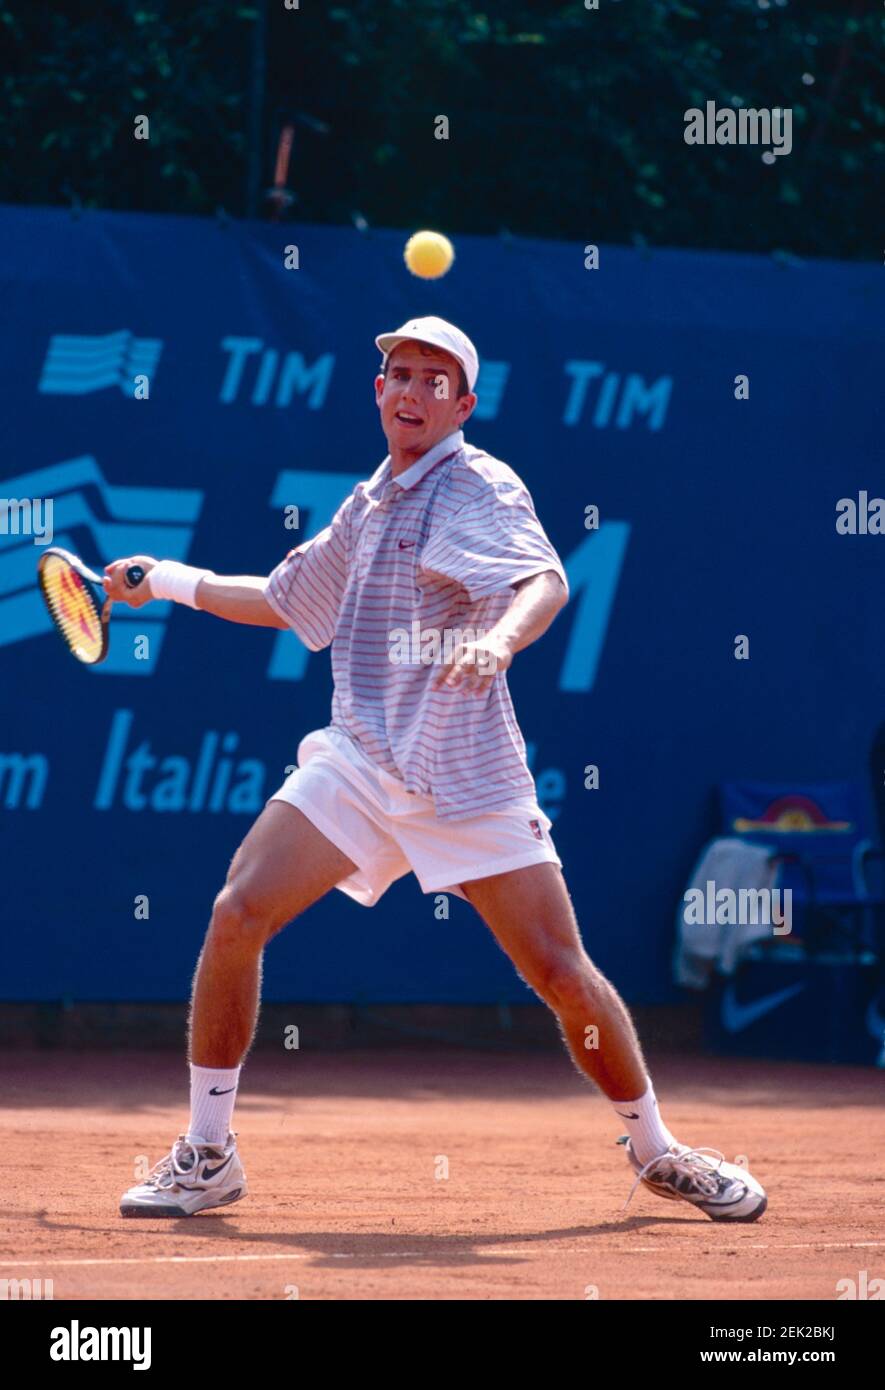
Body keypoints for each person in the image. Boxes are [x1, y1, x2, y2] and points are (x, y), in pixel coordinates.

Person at [108, 315, 767, 1222]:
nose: (412, 392)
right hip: (360, 758)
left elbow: (544, 581)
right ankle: (209, 1152)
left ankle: (656, 1149)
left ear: (462, 404)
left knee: (558, 971)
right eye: (399, 376)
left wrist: (496, 640)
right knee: (236, 911)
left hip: (465, 774)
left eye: (433, 380)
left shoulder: (477, 486)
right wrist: (169, 578)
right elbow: (281, 597)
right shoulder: (370, 499)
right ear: (377, 392)